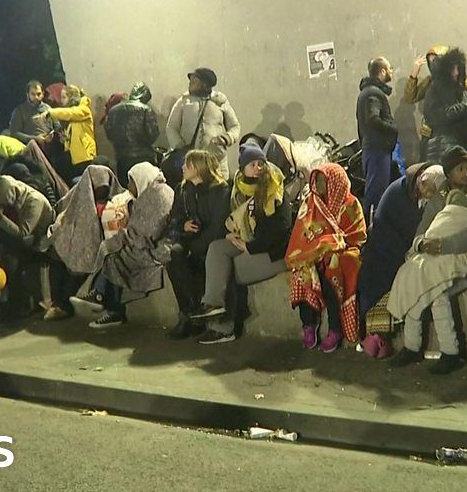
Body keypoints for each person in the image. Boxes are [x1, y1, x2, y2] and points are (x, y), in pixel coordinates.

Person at [390, 146, 467, 374]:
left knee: (435, 286)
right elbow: (424, 227)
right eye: (460, 169)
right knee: (411, 271)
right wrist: (422, 244)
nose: (466, 174)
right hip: (441, 252)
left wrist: (443, 245)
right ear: (448, 174)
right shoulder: (441, 195)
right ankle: (420, 348)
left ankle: (444, 352)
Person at [190, 145, 291, 344]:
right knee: (217, 249)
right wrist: (231, 235)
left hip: (274, 253)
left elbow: (281, 229)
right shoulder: (238, 190)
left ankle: (225, 329)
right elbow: (234, 219)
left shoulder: (275, 190)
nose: (257, 168)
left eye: (260, 163)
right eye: (252, 164)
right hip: (249, 244)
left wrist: (249, 247)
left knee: (227, 269)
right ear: (242, 168)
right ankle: (212, 304)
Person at [286, 163, 366, 352]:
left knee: (334, 271)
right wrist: (312, 251)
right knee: (301, 273)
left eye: (323, 181)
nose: (319, 185)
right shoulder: (311, 203)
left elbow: (358, 236)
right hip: (315, 255)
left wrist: (331, 245)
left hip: (341, 254)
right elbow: (302, 234)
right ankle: (308, 325)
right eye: (317, 181)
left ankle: (335, 330)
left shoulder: (350, 204)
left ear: (336, 183)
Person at [357, 163, 445, 332]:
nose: (430, 195)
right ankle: (372, 332)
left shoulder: (416, 192)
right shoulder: (400, 193)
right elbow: (396, 229)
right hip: (383, 250)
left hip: (399, 249)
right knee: (381, 287)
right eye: (429, 190)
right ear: (422, 182)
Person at [87, 162, 175, 328]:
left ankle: (108, 305)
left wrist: (123, 238)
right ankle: (100, 297)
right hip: (145, 242)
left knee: (114, 255)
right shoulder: (151, 193)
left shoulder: (159, 194)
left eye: (131, 181)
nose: (128, 186)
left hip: (158, 247)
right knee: (110, 248)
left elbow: (148, 233)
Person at [166, 150, 232, 338]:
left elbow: (218, 227)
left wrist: (196, 248)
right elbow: (174, 217)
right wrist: (183, 224)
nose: (183, 168)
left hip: (211, 243)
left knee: (197, 260)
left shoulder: (220, 191)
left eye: (187, 165)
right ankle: (190, 312)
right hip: (189, 239)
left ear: (198, 168)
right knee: (174, 257)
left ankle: (193, 316)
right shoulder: (183, 189)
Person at [47, 165, 126, 319]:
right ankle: (59, 304)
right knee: (60, 257)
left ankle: (67, 304)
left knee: (89, 261)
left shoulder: (119, 201)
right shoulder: (77, 198)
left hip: (105, 247)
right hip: (78, 245)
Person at [0, 175, 56, 318]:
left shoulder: (33, 201)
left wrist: (1, 217)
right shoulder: (18, 197)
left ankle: (25, 305)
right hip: (29, 240)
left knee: (15, 263)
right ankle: (16, 303)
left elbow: (24, 232)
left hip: (41, 241)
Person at [166, 67, 242, 179]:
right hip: (191, 163)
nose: (190, 83)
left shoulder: (219, 101)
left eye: (195, 81)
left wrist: (226, 138)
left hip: (216, 162)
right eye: (191, 80)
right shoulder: (184, 101)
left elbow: (235, 126)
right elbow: (171, 127)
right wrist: (179, 145)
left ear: (205, 84)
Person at [422, 48, 467, 167]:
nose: (456, 73)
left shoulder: (463, 91)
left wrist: (466, 109)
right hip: (444, 149)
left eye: (458, 68)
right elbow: (439, 117)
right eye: (453, 69)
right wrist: (466, 108)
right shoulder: (435, 90)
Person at [356, 56, 399, 214]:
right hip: (377, 151)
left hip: (374, 150)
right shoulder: (373, 94)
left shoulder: (368, 93)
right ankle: (372, 233)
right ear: (382, 71)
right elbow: (372, 118)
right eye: (389, 68)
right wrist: (392, 128)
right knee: (376, 196)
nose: (391, 72)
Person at [38, 84, 98, 182]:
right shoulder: (73, 116)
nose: (62, 101)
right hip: (75, 158)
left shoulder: (84, 110)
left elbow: (70, 113)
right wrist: (65, 140)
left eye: (64, 97)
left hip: (84, 157)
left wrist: (51, 113)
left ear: (71, 98)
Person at [105, 82, 161, 185]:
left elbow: (108, 132)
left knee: (125, 189)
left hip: (121, 157)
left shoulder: (114, 110)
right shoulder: (146, 110)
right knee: (143, 189)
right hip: (143, 157)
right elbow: (153, 134)